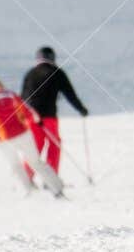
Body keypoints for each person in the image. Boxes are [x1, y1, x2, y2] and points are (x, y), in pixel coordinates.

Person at [0, 71, 64, 197]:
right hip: (23, 133)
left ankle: (30, 192)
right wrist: (37, 120)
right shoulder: (10, 94)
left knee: (16, 166)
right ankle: (57, 188)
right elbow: (27, 110)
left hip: (5, 138)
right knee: (36, 162)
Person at [20, 46, 88, 174]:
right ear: (52, 58)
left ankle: (27, 177)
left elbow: (22, 97)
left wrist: (23, 116)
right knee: (54, 145)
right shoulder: (57, 72)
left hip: (31, 118)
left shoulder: (30, 73)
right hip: (49, 117)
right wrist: (81, 109)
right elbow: (70, 95)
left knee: (34, 147)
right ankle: (51, 178)